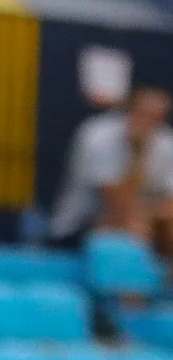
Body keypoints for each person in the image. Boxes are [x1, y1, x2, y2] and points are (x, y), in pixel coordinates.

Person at [48, 83, 173, 256]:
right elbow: (118, 204)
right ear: (126, 112)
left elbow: (169, 203)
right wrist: (138, 155)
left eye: (156, 118)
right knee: (130, 225)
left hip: (142, 221)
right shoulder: (97, 136)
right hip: (79, 227)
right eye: (142, 115)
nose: (148, 124)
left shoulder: (166, 141)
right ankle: (126, 282)